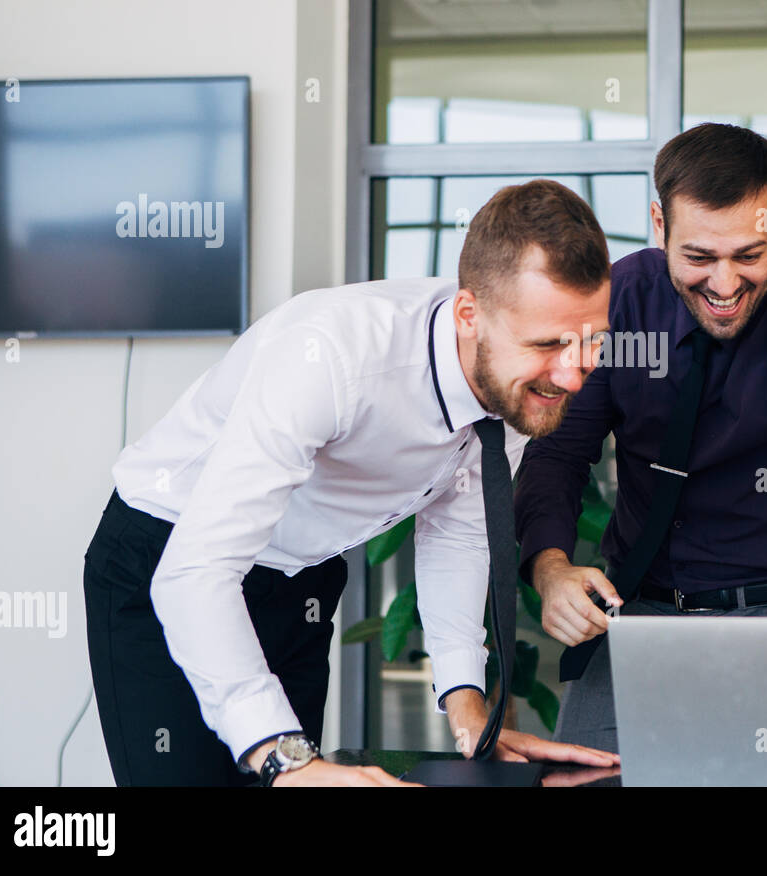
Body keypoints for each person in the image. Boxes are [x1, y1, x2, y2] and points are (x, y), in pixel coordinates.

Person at [83, 179, 620, 785]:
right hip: (172, 558)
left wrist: (471, 714)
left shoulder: (516, 378)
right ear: (470, 316)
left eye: (589, 342)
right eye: (549, 344)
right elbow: (196, 575)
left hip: (300, 577)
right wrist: (287, 762)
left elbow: (458, 534)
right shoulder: (331, 358)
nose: (574, 375)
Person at [513, 123, 767, 754]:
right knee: (581, 774)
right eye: (699, 258)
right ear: (660, 226)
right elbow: (559, 450)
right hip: (645, 617)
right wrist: (551, 567)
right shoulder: (619, 302)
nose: (724, 285)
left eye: (749, 255)